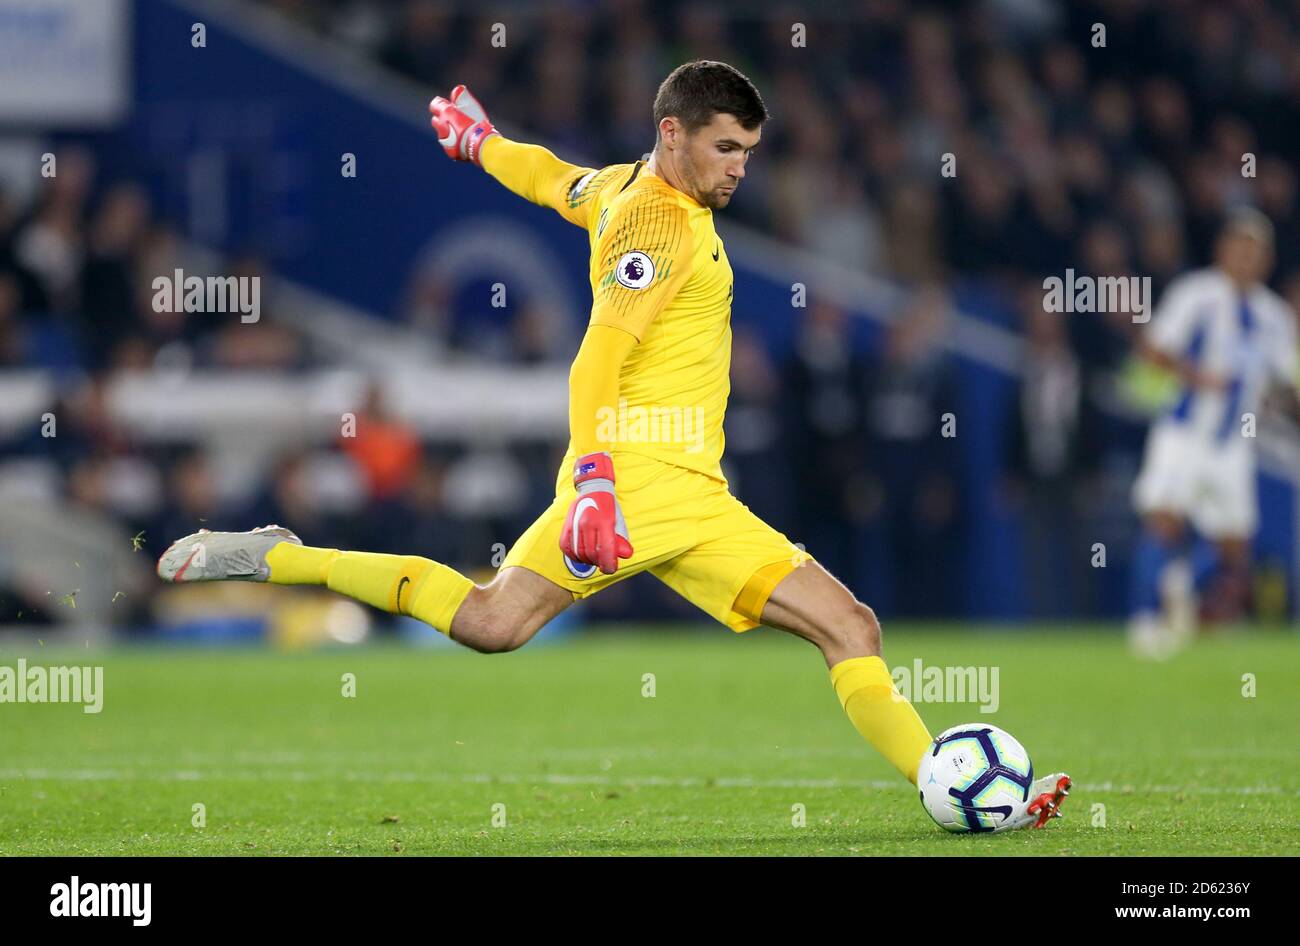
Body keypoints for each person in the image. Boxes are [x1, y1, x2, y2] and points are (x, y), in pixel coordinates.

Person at [158, 60, 1068, 830]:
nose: (739, 168)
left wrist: (479, 143)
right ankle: (285, 558)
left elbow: (551, 177)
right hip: (632, 483)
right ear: (673, 134)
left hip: (698, 499)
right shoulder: (658, 227)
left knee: (850, 626)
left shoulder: (621, 187)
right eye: (725, 148)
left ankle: (951, 790)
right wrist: (594, 483)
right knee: (490, 625)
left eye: (748, 153)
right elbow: (596, 359)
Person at [1129, 208, 1300, 658]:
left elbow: (1284, 382)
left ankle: (1185, 591)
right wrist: (1195, 375)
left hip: (1232, 444)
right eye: (1240, 246)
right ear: (1222, 249)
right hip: (1184, 433)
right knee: (1164, 518)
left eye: (1257, 250)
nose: (1247, 257)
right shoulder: (1196, 294)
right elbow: (1152, 349)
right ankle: (1146, 619)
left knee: (1233, 544)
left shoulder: (1273, 315)